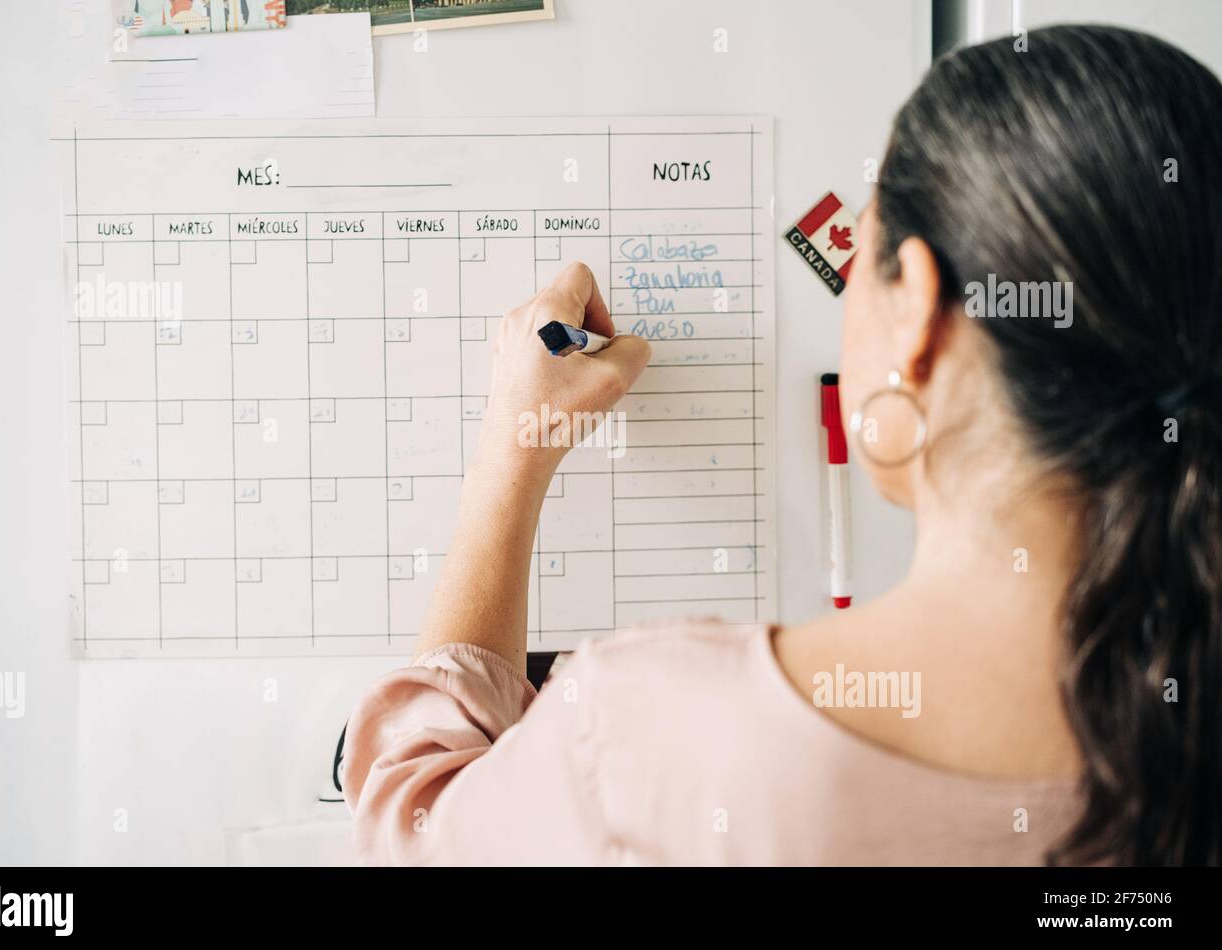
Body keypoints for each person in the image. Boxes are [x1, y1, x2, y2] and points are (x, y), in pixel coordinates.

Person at [341, 25, 1222, 865]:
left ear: (917, 310)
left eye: (860, 251)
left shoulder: (651, 734)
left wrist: (513, 445)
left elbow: (409, 829)